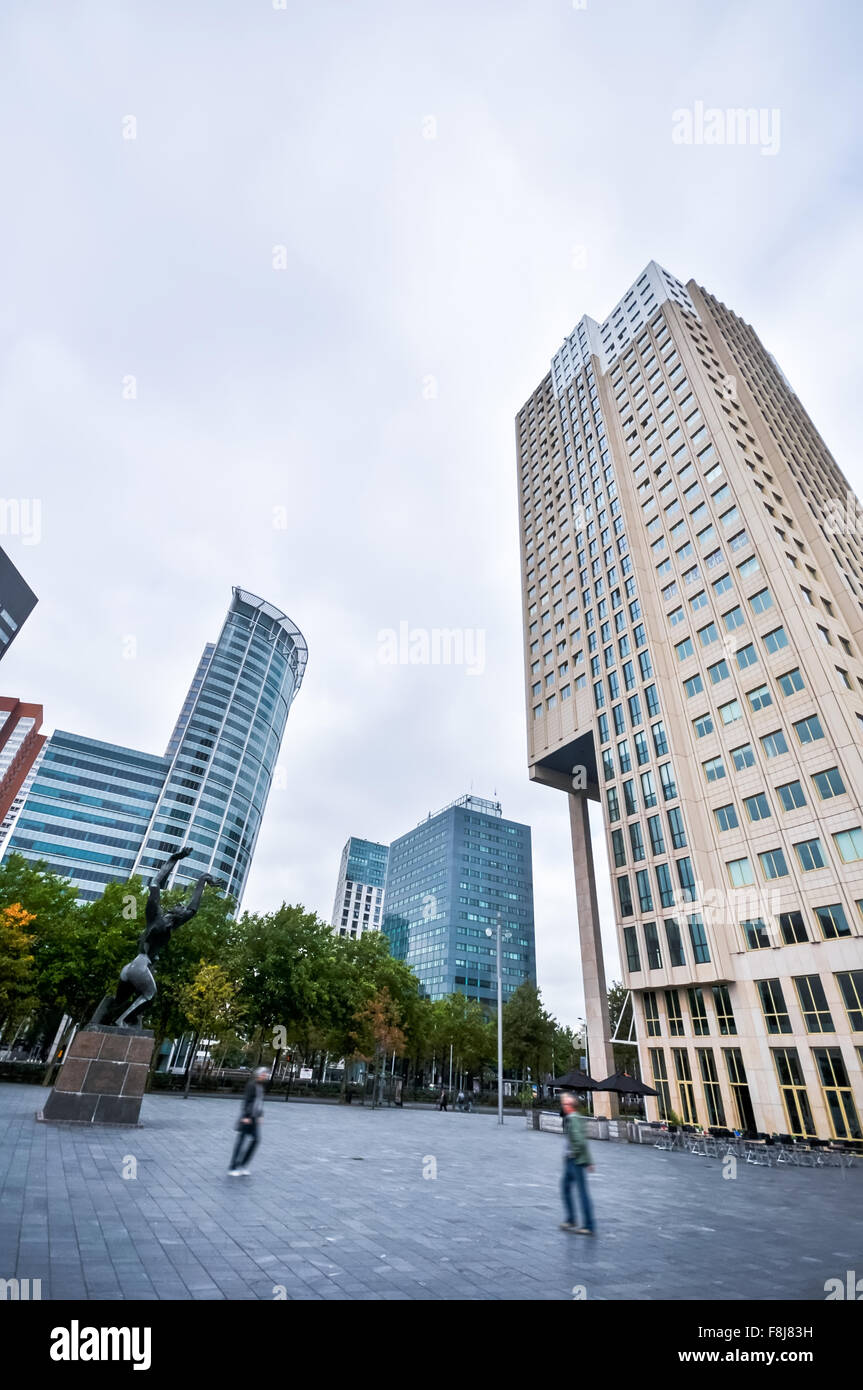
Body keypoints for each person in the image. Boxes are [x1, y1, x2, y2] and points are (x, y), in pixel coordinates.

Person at [560, 1092, 595, 1235]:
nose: (563, 1106)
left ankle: (588, 1225)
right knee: (567, 1189)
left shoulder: (573, 1118)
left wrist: (574, 1154)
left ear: (570, 1106)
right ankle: (571, 1219)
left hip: (575, 1161)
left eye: (565, 1103)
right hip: (573, 1161)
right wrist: (590, 1161)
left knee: (581, 1193)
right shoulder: (575, 1117)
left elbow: (580, 1141)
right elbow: (583, 1141)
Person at [229, 1067, 269, 1176]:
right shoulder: (251, 1085)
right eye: (263, 1074)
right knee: (241, 1142)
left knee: (256, 1140)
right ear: (258, 1075)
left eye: (265, 1075)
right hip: (247, 1118)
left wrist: (260, 1115)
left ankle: (243, 1165)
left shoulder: (261, 1086)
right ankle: (233, 1167)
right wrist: (246, 1116)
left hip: (254, 1118)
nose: (264, 1076)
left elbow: (260, 1102)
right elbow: (247, 1101)